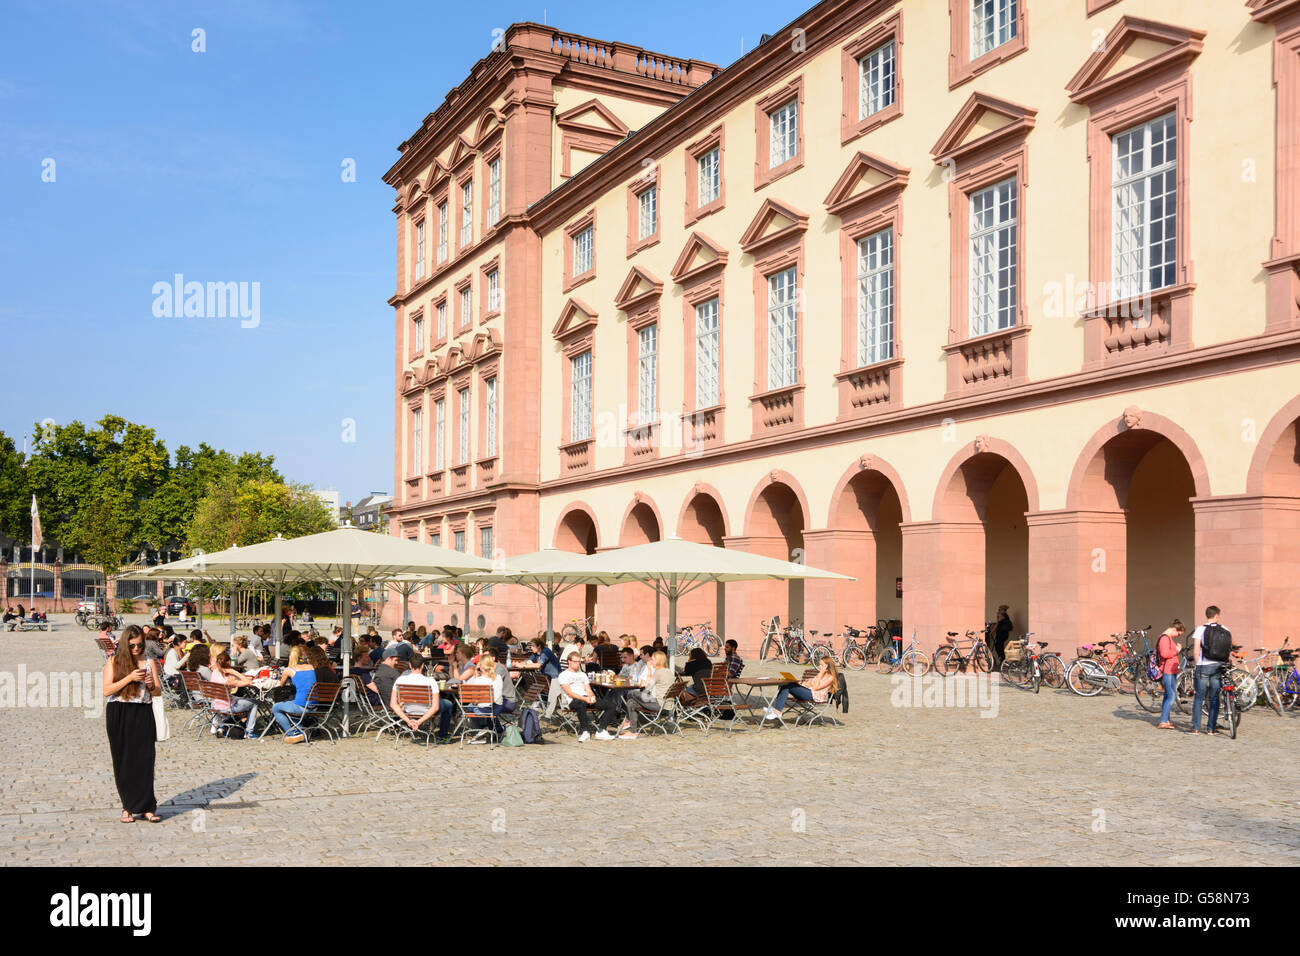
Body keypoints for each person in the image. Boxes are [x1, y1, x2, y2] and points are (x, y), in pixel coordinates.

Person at [101, 625, 163, 823]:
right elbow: (106, 690)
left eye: (139, 645)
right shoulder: (114, 661)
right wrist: (129, 677)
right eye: (133, 646)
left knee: (145, 760)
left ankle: (147, 806)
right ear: (126, 645)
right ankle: (127, 807)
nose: (136, 649)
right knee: (124, 761)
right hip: (120, 712)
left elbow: (158, 692)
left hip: (143, 712)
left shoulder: (149, 661)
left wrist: (150, 683)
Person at [271, 644, 330, 743]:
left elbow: (281, 684)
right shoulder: (311, 667)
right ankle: (300, 730)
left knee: (276, 707)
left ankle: (293, 733)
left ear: (291, 656)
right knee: (291, 704)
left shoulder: (288, 670)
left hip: (301, 706)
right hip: (314, 705)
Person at [556, 653, 620, 741]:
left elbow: (588, 689)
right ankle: (585, 731)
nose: (577, 664)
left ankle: (602, 730)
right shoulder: (563, 675)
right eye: (575, 662)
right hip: (573, 700)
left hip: (586, 698)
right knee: (581, 704)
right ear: (569, 662)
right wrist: (585, 699)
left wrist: (592, 696)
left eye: (579, 662)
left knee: (611, 705)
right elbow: (569, 693)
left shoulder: (582, 674)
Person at [1189, 605, 1232, 735]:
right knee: (1214, 698)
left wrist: (1196, 664)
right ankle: (1211, 729)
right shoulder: (1225, 629)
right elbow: (1231, 644)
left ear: (1207, 615)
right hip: (1219, 666)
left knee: (1199, 697)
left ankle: (1196, 728)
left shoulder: (1200, 629)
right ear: (1217, 615)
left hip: (1204, 665)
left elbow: (1196, 649)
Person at [391, 658, 453, 741]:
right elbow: (435, 707)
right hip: (426, 710)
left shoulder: (400, 680)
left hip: (409, 709)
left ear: (410, 665)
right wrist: (419, 722)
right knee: (448, 704)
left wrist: (408, 720)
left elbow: (393, 704)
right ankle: (442, 735)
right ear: (423, 665)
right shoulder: (430, 681)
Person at [619, 649, 675, 739]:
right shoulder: (668, 671)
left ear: (658, 661)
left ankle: (628, 720)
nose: (650, 661)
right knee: (631, 702)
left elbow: (647, 690)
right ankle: (633, 732)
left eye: (652, 659)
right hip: (667, 704)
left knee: (632, 693)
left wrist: (649, 669)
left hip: (658, 703)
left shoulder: (658, 672)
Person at [766, 657, 838, 722]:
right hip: (809, 691)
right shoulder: (822, 674)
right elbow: (812, 683)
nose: (819, 666)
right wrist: (803, 684)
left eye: (821, 665)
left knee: (787, 685)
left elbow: (815, 688)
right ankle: (777, 710)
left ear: (827, 666)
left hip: (814, 696)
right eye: (819, 664)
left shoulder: (830, 678)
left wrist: (821, 673)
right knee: (785, 684)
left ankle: (777, 711)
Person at [208, 652, 260, 737]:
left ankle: (224, 725)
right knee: (254, 702)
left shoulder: (214, 672)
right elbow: (248, 682)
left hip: (215, 705)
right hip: (227, 707)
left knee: (240, 698)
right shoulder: (230, 679)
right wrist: (234, 672)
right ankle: (249, 732)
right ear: (229, 662)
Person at [1154, 620, 1186, 730]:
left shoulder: (1167, 638)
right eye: (1179, 633)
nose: (1178, 636)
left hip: (1171, 670)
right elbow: (1164, 654)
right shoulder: (1164, 638)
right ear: (1174, 629)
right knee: (1172, 695)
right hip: (1167, 670)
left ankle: (1166, 720)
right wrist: (1176, 650)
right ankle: (1163, 721)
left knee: (1168, 695)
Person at [991, 605, 1014, 671]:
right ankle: (1002, 659)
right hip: (1001, 633)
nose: (998, 610)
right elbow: (997, 624)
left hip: (1002, 633)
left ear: (1002, 610)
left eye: (1000, 609)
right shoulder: (1005, 615)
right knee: (998, 645)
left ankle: (1003, 659)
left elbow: (998, 623)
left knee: (999, 646)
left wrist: (997, 615)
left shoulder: (1003, 615)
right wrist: (991, 632)